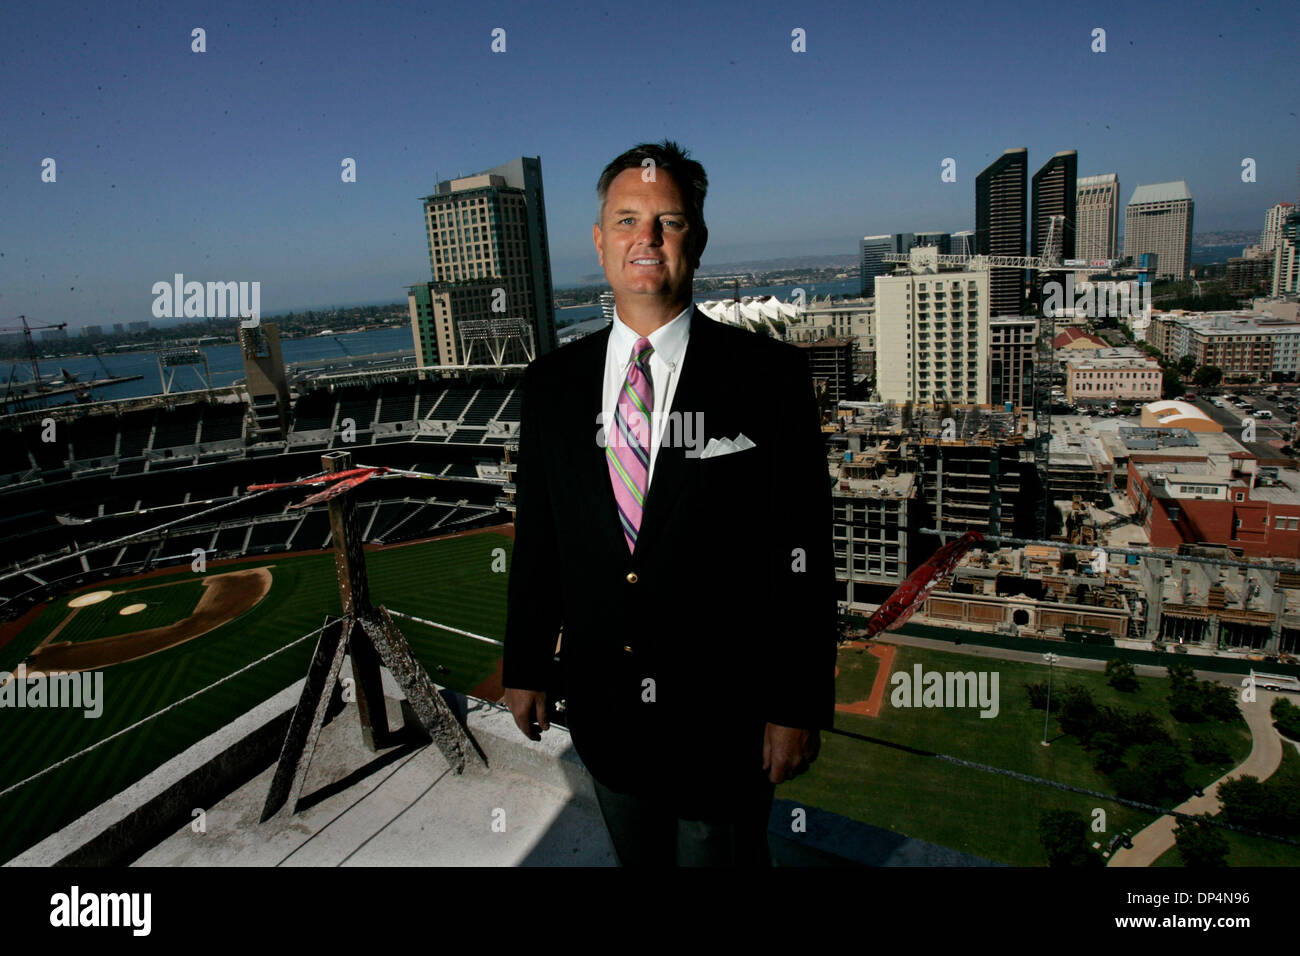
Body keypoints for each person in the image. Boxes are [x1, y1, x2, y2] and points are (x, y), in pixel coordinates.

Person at [502, 140, 836, 866]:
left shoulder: (769, 379)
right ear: (599, 242)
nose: (645, 239)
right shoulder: (553, 384)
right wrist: (525, 663)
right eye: (626, 221)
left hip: (727, 724)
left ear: (699, 240)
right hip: (606, 717)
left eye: (669, 221)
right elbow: (540, 541)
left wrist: (796, 705)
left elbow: (803, 555)